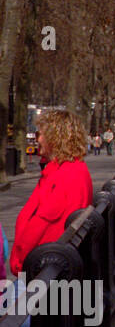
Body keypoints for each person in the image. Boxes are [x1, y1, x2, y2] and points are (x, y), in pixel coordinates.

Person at [10, 111, 94, 278]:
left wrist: (21, 262)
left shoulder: (63, 176)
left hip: (44, 267)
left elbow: (42, 225)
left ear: (54, 137)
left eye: (39, 134)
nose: (37, 139)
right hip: (49, 264)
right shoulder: (68, 170)